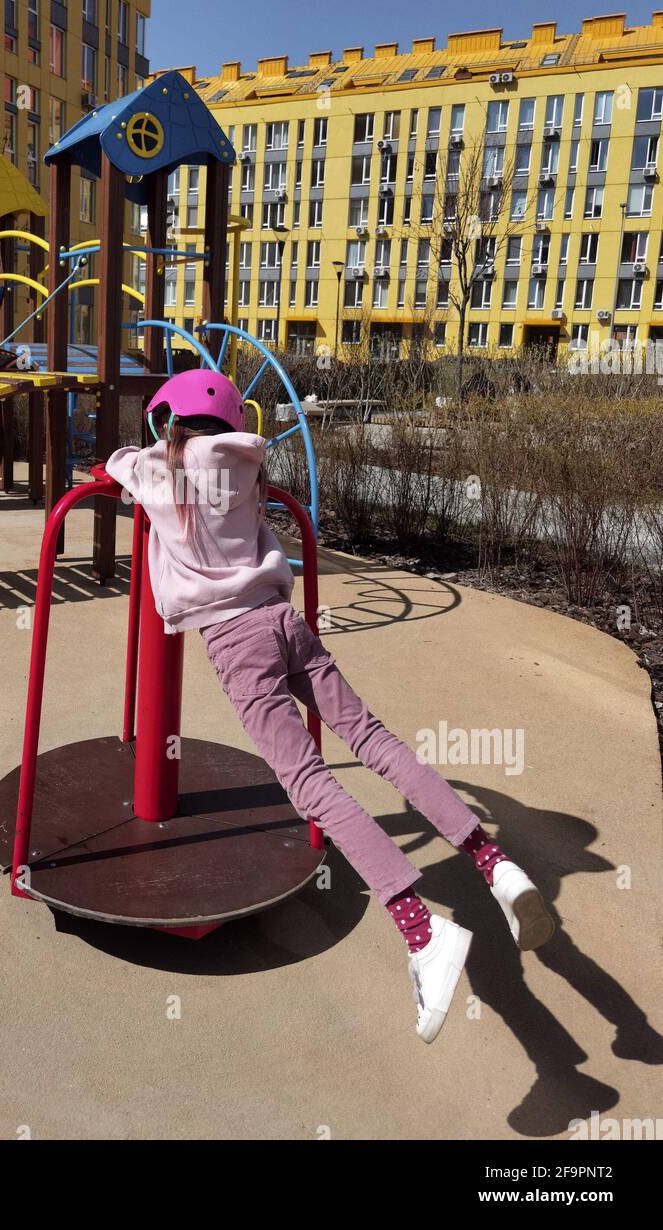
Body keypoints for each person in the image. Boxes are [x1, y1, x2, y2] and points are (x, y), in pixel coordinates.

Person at [100, 370, 554, 1043]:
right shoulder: (251, 467)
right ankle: (494, 864)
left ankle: (421, 931)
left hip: (234, 642)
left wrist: (139, 452)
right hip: (284, 622)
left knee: (310, 783)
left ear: (166, 425)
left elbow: (119, 464)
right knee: (372, 739)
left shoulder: (159, 474)